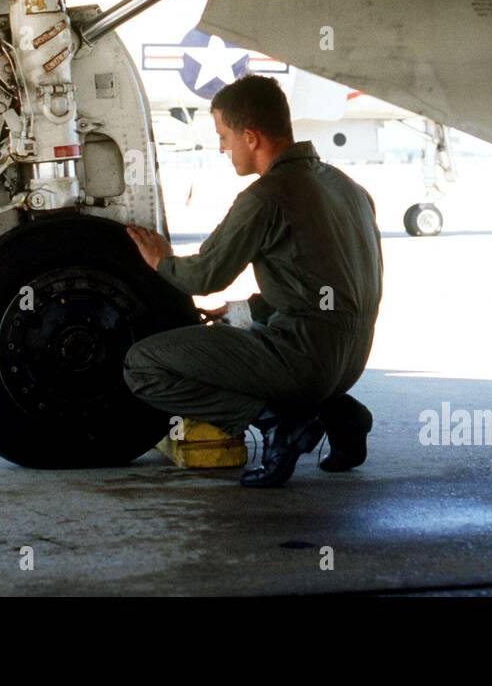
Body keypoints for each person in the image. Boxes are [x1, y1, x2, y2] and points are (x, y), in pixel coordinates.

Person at [124, 75, 383, 488]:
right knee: (241, 332)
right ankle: (340, 413)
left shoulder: (266, 196)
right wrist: (244, 311)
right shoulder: (347, 187)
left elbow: (204, 276)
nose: (223, 148)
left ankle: (278, 423)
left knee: (143, 365)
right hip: (349, 362)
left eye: (224, 137)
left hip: (305, 362)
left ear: (251, 137)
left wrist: (162, 260)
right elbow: (322, 281)